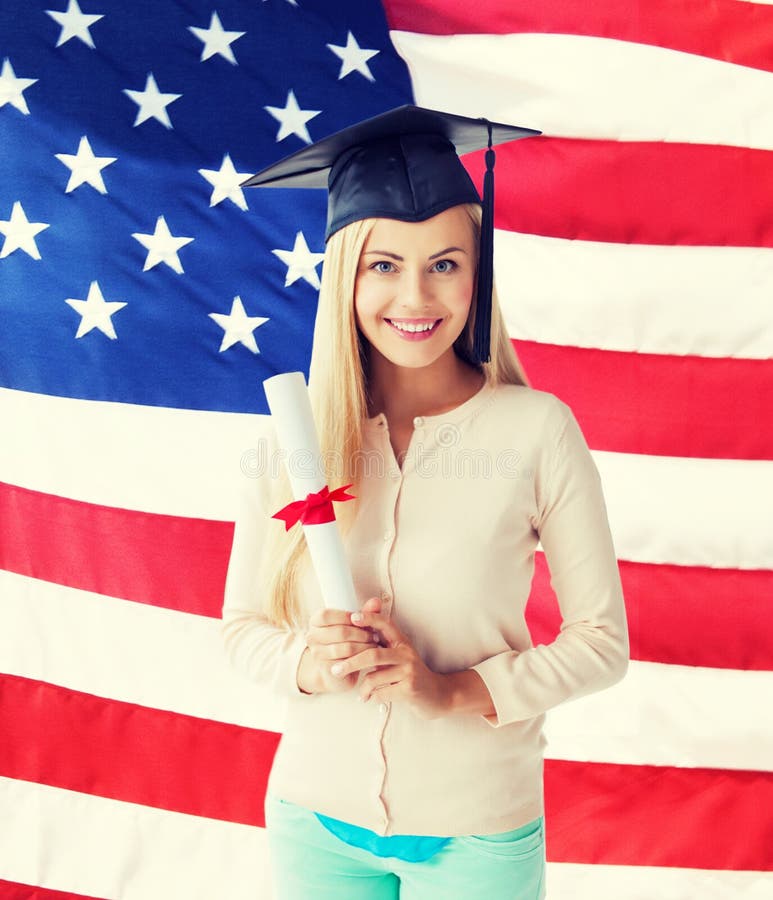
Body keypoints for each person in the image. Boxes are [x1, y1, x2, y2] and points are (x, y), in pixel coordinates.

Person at [222, 105, 629, 900]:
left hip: (476, 829)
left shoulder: (536, 431)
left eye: (444, 263)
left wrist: (454, 691)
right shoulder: (292, 437)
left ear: (476, 274)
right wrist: (311, 661)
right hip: (315, 820)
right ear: (345, 275)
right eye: (383, 265)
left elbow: (600, 643)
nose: (415, 294)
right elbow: (242, 632)